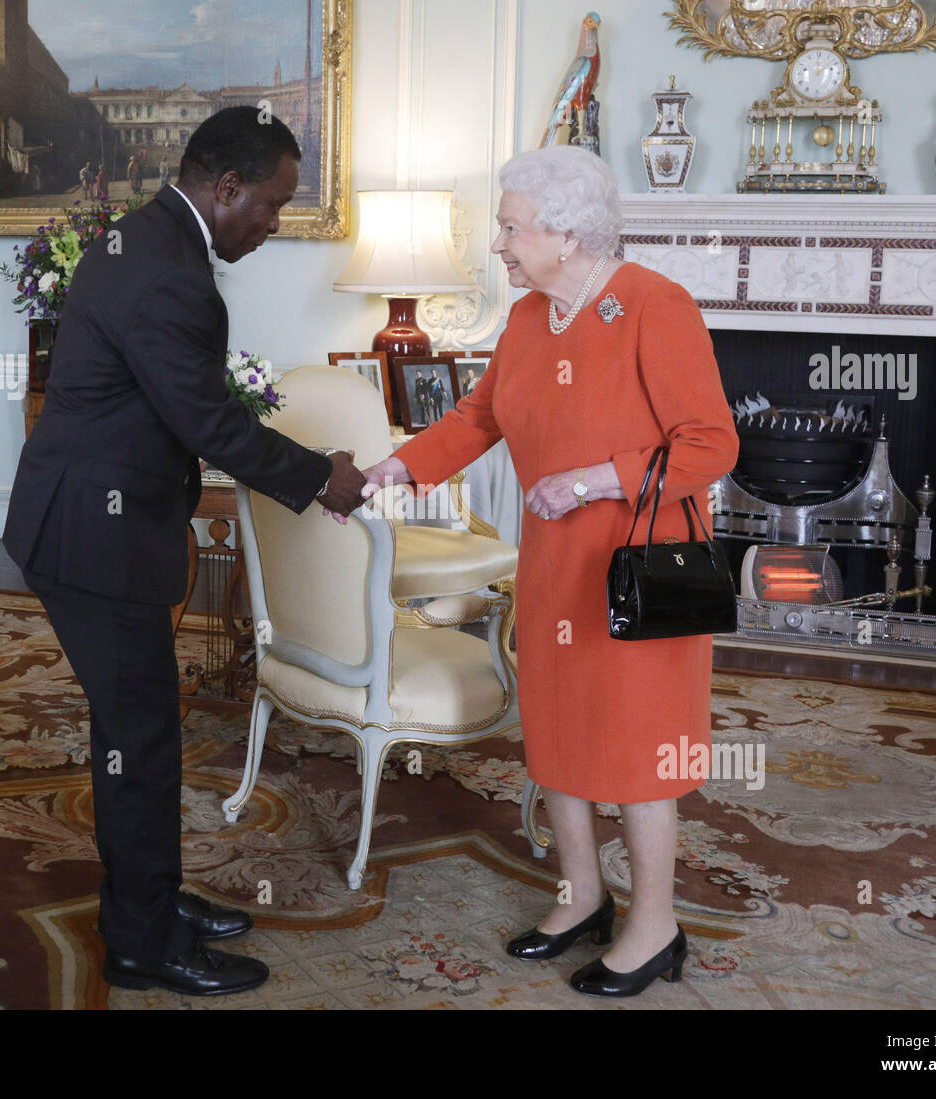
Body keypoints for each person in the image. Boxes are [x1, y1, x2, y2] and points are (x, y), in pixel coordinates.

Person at [352, 144, 738, 998]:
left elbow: (711, 444)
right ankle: (582, 896)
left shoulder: (653, 307)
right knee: (559, 736)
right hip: (555, 564)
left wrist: (595, 478)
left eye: (511, 226)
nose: (499, 243)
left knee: (635, 750)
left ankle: (655, 926)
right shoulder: (532, 316)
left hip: (637, 567)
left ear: (566, 232)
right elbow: (480, 414)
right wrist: (399, 468)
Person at [2, 106, 368, 998]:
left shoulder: (152, 240)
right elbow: (209, 424)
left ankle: (152, 900)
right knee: (140, 740)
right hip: (93, 536)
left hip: (89, 519)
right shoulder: (171, 272)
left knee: (141, 731)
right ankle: (140, 939)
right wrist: (325, 476)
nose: (274, 225)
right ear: (226, 187)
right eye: (273, 206)